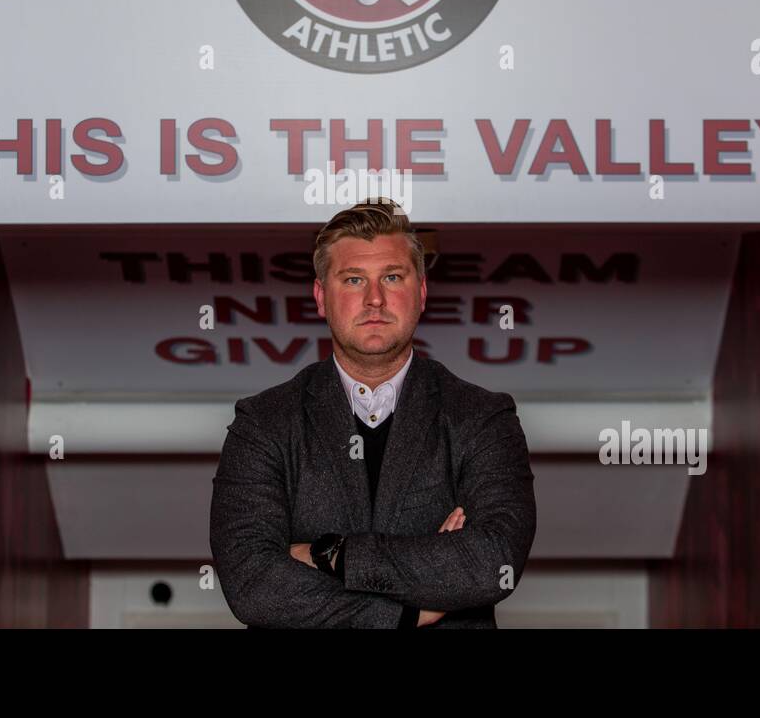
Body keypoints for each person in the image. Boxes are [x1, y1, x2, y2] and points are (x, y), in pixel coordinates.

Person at [209, 198, 537, 627]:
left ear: (420, 293)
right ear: (321, 297)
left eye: (392, 277)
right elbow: (253, 586)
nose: (375, 299)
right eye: (353, 280)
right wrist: (409, 611)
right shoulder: (263, 423)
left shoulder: (484, 418)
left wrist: (329, 553)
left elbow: (493, 563)